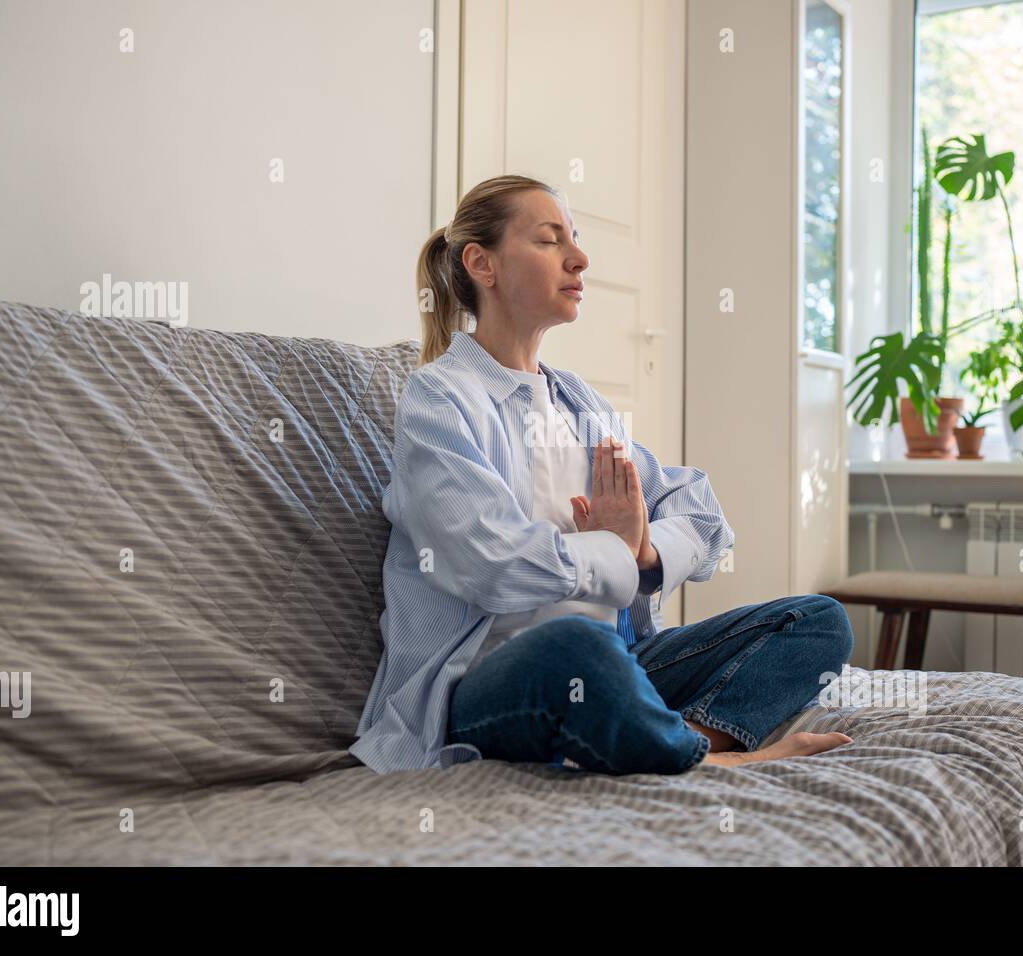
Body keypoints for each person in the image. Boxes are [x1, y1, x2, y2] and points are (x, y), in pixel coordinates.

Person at [348, 174, 854, 775]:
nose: (580, 257)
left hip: (618, 663)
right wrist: (613, 550)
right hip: (492, 682)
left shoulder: (579, 405)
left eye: (577, 239)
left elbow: (700, 513)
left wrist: (643, 554)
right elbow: (490, 565)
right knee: (578, 648)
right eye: (548, 240)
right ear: (482, 264)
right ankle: (707, 757)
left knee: (819, 621)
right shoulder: (440, 399)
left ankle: (670, 736)